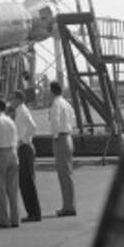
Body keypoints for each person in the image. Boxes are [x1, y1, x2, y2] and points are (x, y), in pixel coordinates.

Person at [0, 96, 20, 228]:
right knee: (12, 189)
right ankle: (15, 218)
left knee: (0, 189)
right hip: (12, 152)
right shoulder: (10, 121)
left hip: (1, 154)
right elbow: (16, 139)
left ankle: (4, 219)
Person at [11, 90, 42, 221]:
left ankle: (34, 213)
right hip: (22, 148)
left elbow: (33, 127)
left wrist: (23, 139)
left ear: (18, 99)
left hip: (24, 148)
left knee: (27, 182)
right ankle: (32, 212)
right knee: (24, 182)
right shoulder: (19, 111)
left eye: (12, 99)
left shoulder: (22, 111)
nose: (11, 101)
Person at [48, 81, 77, 216]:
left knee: (63, 174)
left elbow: (55, 121)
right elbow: (73, 117)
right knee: (67, 173)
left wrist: (55, 137)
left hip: (60, 138)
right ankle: (69, 204)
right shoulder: (66, 103)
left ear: (52, 91)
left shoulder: (55, 104)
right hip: (68, 136)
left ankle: (68, 207)